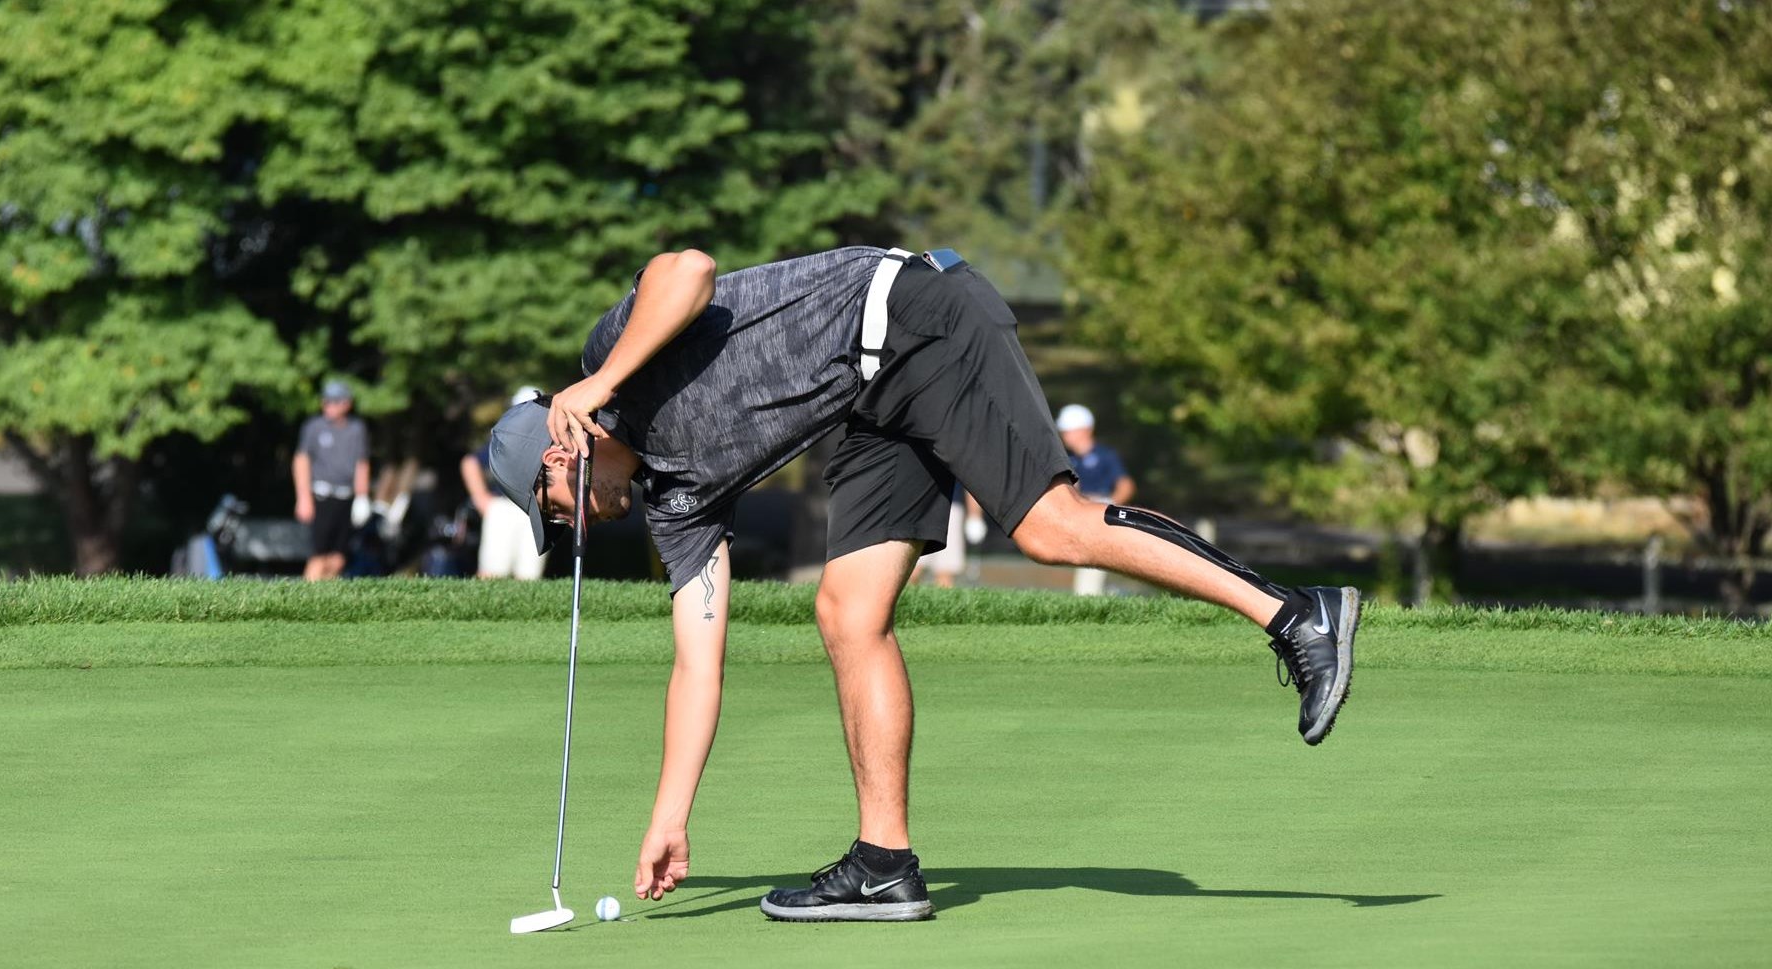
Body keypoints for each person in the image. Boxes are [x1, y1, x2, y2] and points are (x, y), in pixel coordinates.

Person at [485, 246, 1360, 923]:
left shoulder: (612, 355)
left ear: (563, 452)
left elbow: (690, 270)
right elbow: (696, 663)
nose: (569, 523)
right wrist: (670, 815)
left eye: (554, 506)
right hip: (868, 404)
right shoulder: (676, 506)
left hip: (918, 316)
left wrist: (602, 380)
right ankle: (884, 863)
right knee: (847, 610)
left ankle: (1295, 614)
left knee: (1049, 527)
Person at [461, 387, 548, 580]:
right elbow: (471, 462)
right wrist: (481, 498)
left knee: (530, 575)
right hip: (504, 507)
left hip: (536, 509)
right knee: (492, 572)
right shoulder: (507, 437)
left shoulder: (552, 438)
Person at [292, 379, 370, 582]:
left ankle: (325, 602)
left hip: (345, 497)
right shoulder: (314, 427)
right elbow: (301, 461)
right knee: (319, 555)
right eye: (326, 401)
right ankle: (305, 599)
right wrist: (303, 497)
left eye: (334, 402)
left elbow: (362, 463)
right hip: (321, 496)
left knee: (337, 558)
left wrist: (362, 497)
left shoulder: (356, 429)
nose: (328, 406)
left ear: (346, 404)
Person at [1056, 404, 1137, 596]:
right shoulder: (1068, 459)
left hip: (1103, 519)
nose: (1064, 435)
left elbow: (1126, 485)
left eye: (1068, 431)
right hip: (1082, 519)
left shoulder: (1105, 456)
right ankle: (1091, 598)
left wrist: (1108, 504)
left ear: (1085, 429)